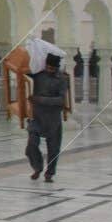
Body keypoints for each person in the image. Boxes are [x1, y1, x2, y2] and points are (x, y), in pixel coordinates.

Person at [26, 52, 68, 182]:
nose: (49, 70)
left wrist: (40, 99)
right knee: (31, 145)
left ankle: (49, 173)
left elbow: (61, 100)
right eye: (48, 67)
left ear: (56, 68)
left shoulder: (61, 79)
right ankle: (37, 167)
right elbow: (24, 74)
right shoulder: (38, 75)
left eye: (52, 68)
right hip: (36, 117)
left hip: (53, 118)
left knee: (54, 148)